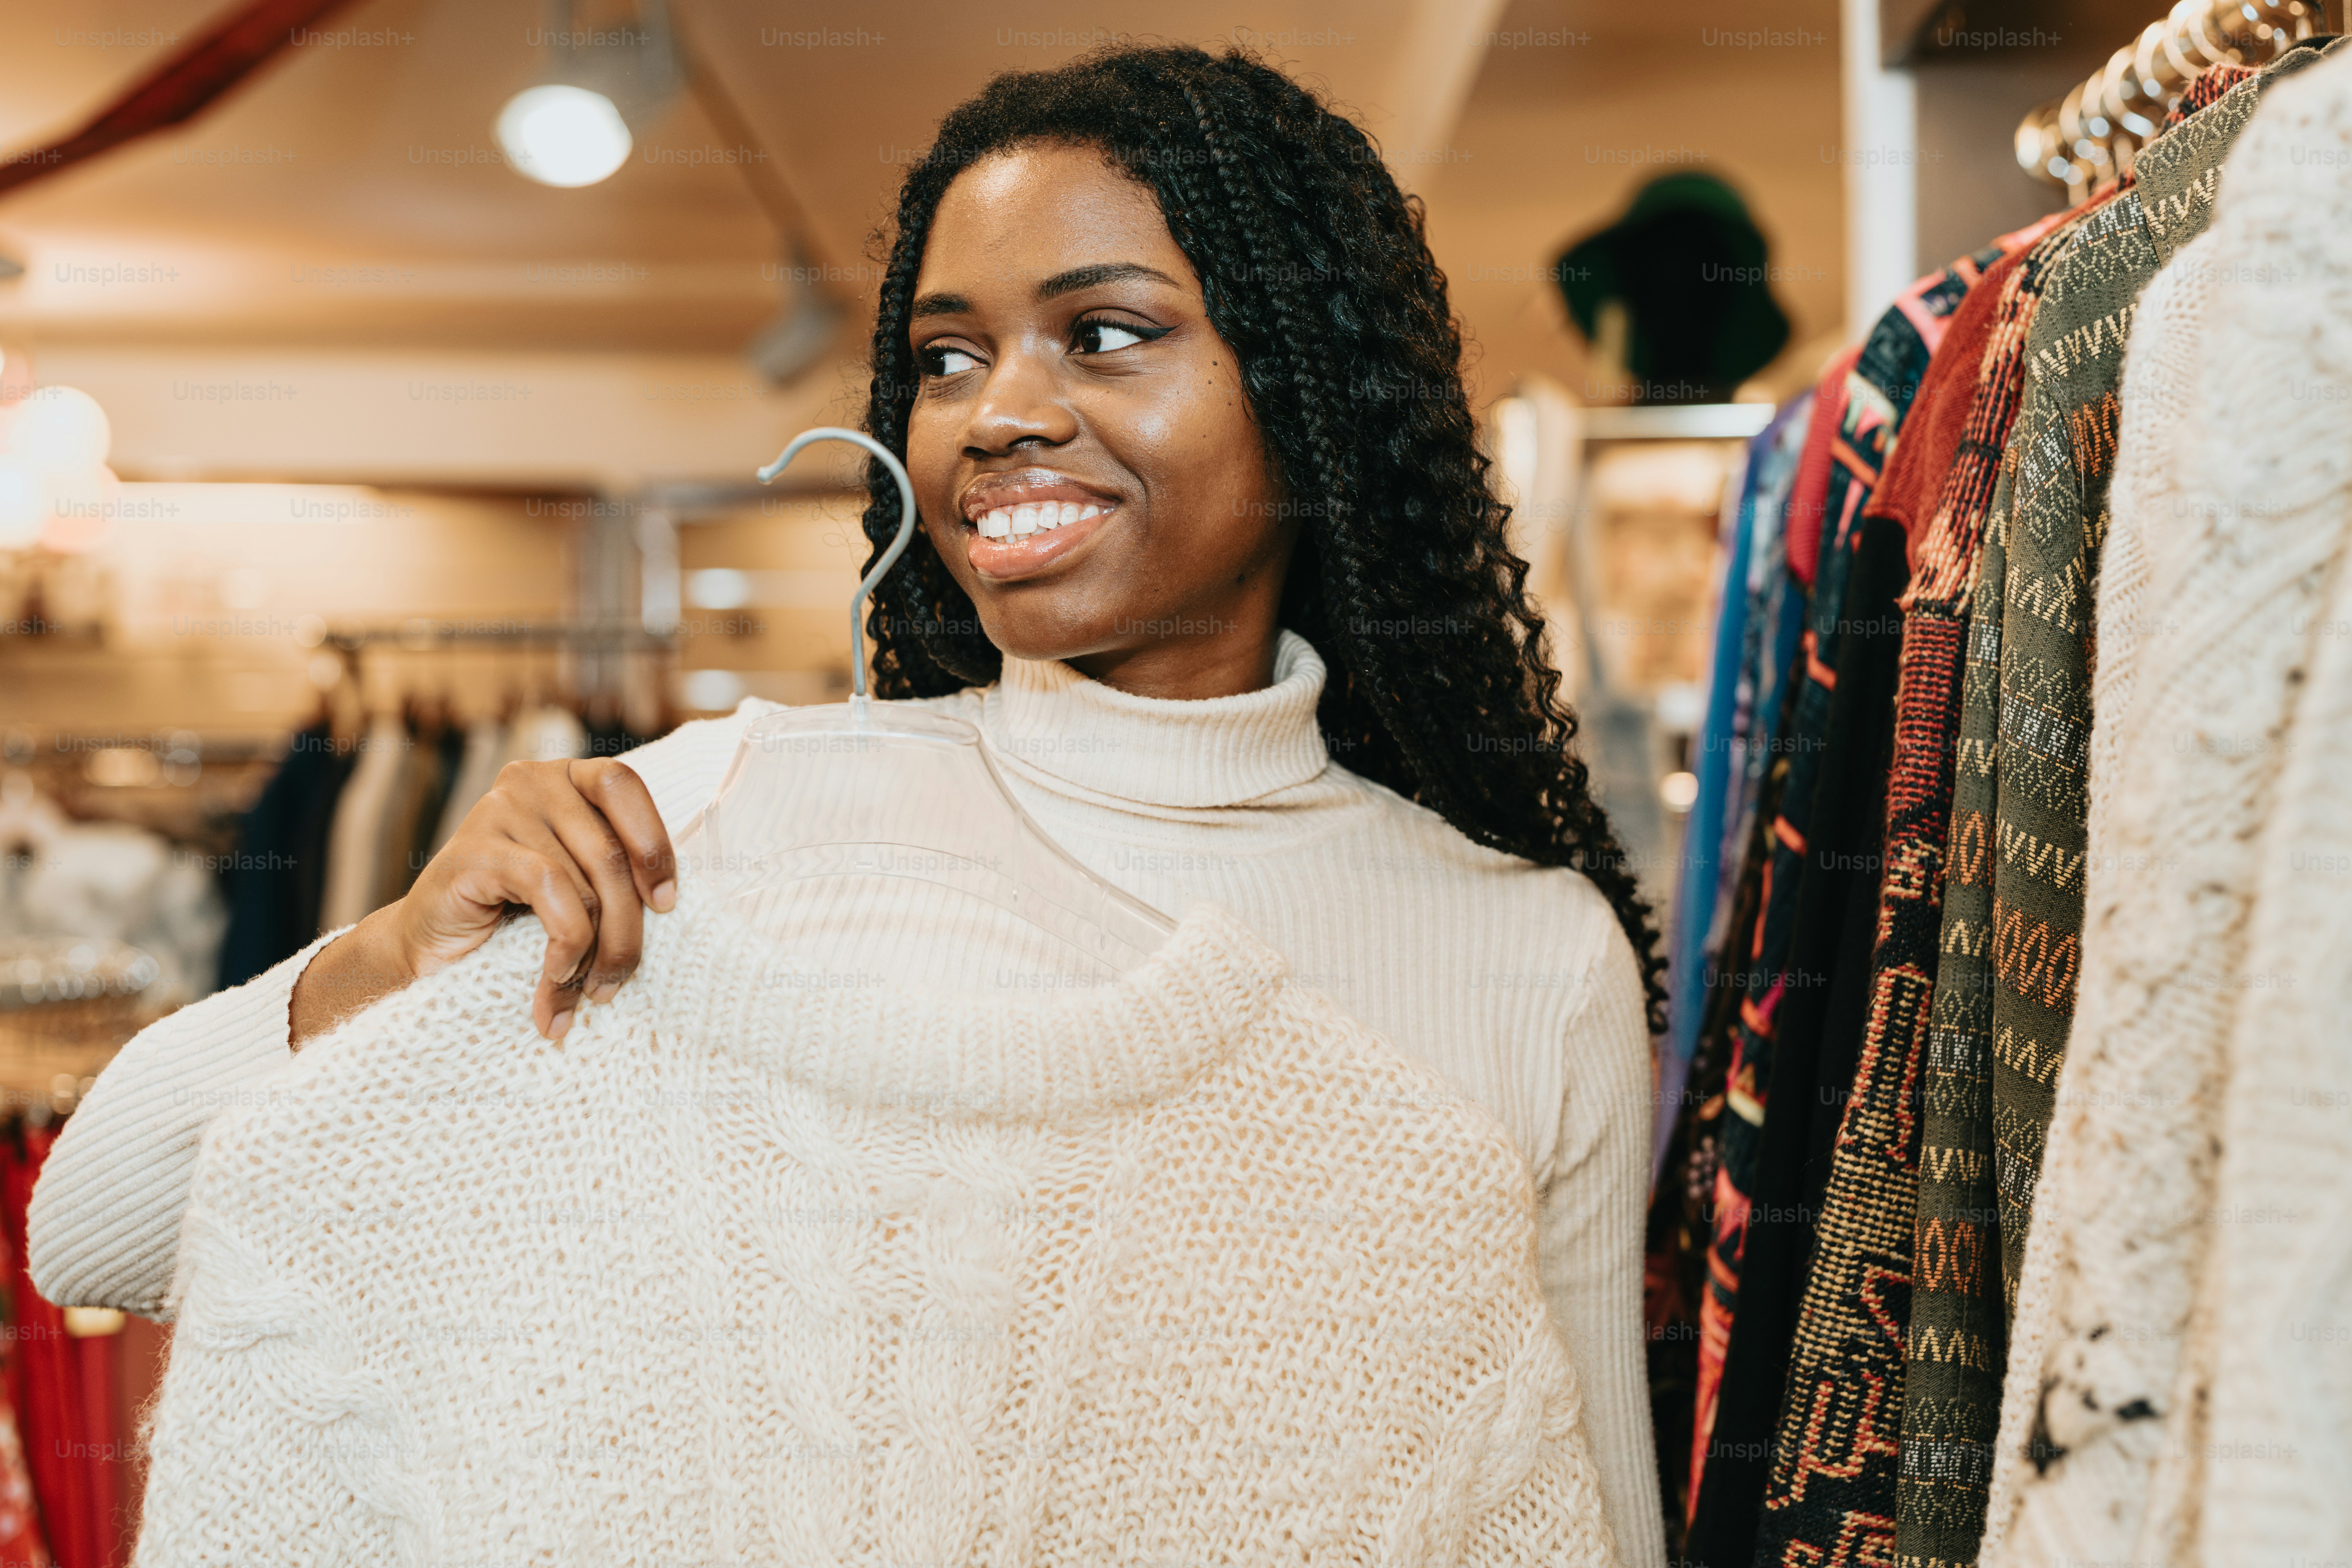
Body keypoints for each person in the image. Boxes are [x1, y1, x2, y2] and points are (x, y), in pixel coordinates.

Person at [31, 44, 1667, 1567]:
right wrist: (393, 953)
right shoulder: (730, 808)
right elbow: (96, 1225)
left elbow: (1580, 1515)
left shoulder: (1523, 955)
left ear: (1307, 389)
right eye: (948, 357)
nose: (997, 413)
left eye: (1104, 334)